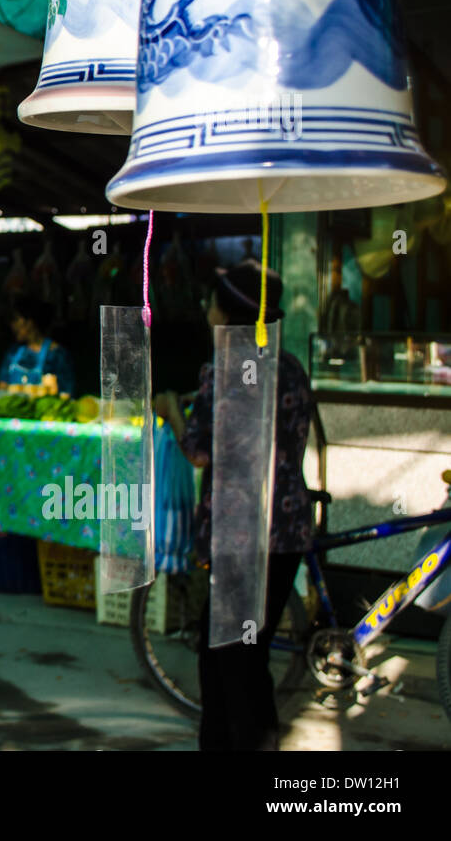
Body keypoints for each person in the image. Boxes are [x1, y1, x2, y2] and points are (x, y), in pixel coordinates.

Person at [154, 259, 314, 751]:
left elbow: (200, 451)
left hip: (241, 532)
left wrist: (172, 413)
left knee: (237, 660)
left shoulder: (223, 370)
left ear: (228, 313)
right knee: (229, 649)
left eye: (212, 302)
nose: (206, 310)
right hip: (284, 528)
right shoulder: (287, 365)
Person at [0, 295, 75, 396]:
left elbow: (66, 394)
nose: (13, 325)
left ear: (30, 322)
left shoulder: (57, 355)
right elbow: (1, 389)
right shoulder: (14, 352)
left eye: (16, 319)